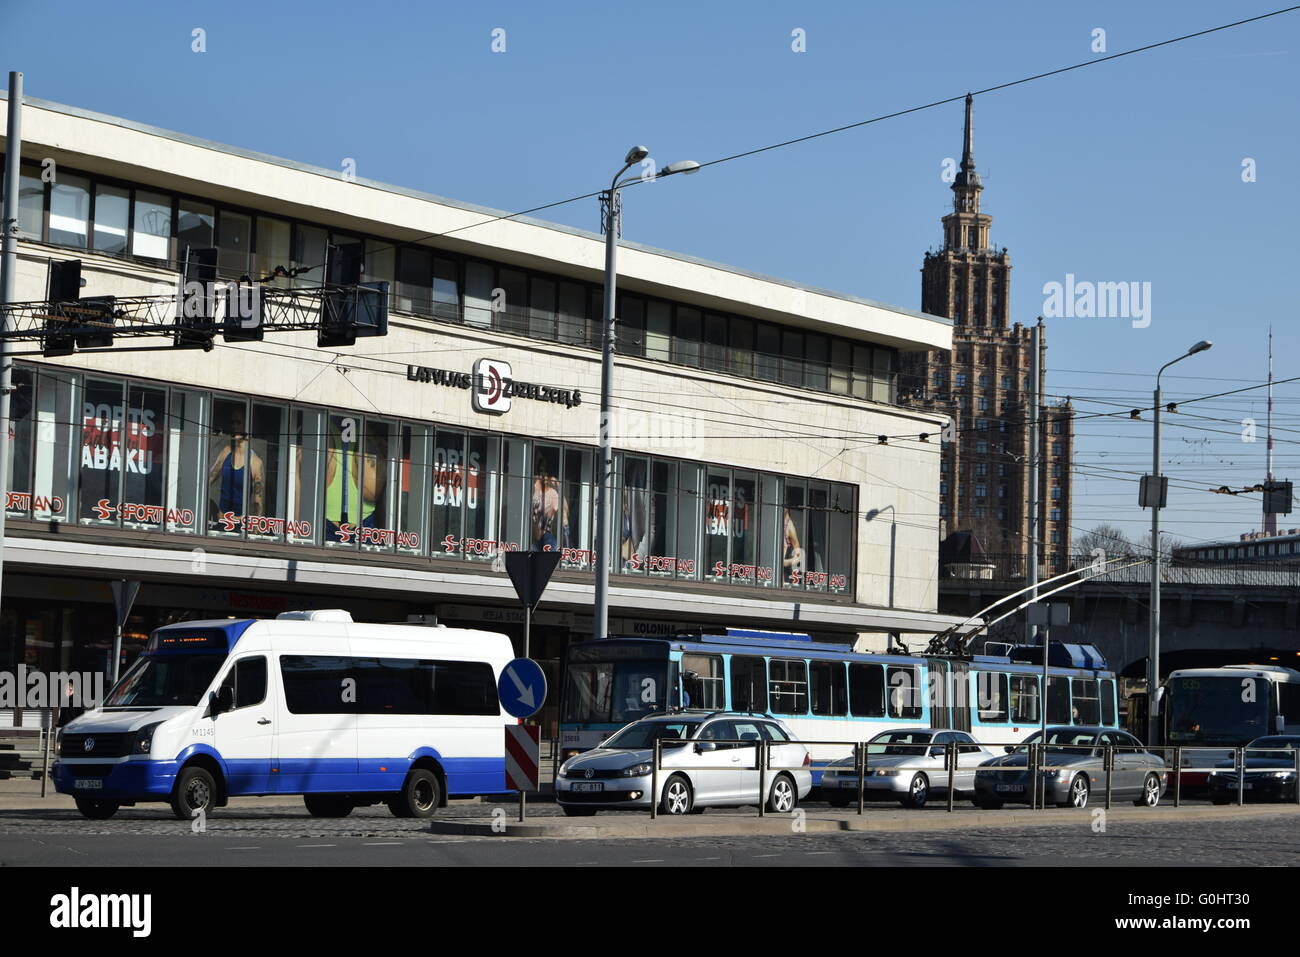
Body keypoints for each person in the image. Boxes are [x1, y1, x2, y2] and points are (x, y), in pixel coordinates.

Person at [208, 408, 265, 526]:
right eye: (232, 423)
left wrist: (256, 525)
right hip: (222, 521)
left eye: (238, 422)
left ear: (247, 425)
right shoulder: (226, 453)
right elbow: (208, 480)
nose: (235, 426)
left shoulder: (255, 462)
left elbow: (258, 499)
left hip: (240, 525)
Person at [782, 508, 804, 583]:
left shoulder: (790, 527)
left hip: (782, 571)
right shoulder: (776, 520)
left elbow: (798, 556)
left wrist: (784, 562)